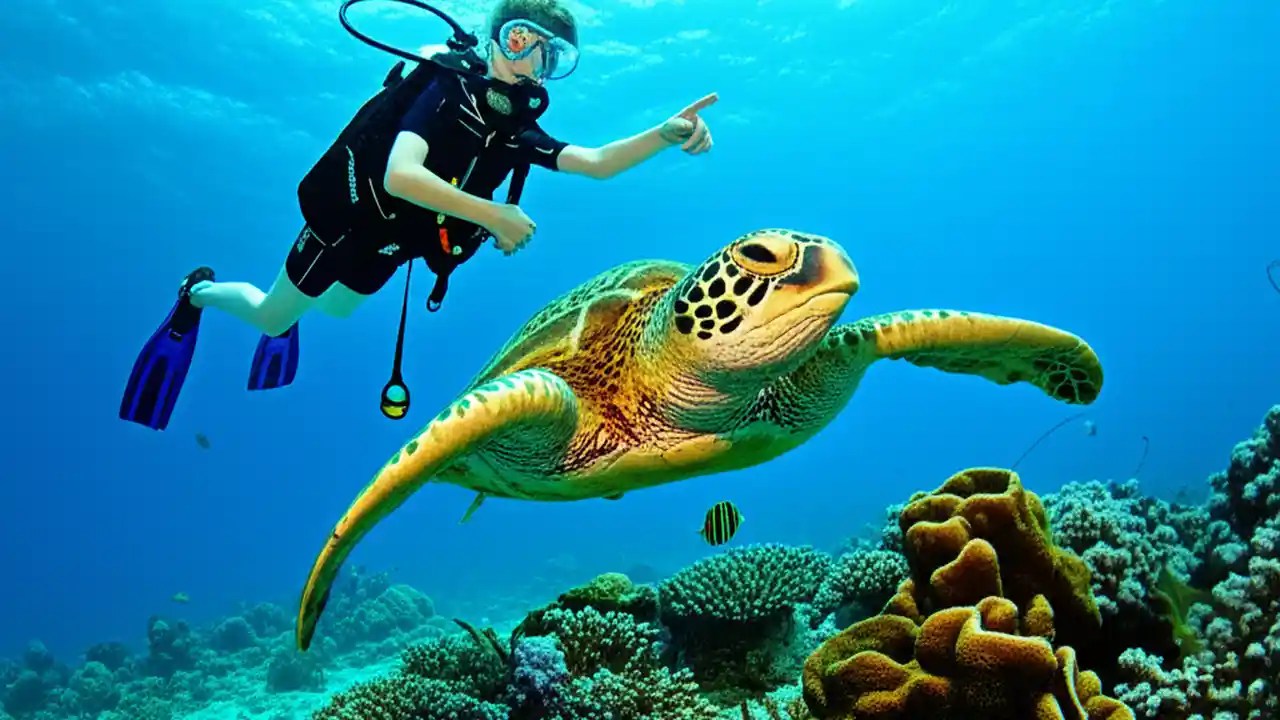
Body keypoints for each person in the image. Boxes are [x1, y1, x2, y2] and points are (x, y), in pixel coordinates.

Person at [119, 0, 717, 431]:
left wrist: (665, 134)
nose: (530, 62)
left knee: (338, 307)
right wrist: (495, 215)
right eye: (518, 40)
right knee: (273, 317)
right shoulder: (446, 89)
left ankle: (300, 301)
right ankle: (197, 293)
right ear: (493, 39)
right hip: (346, 224)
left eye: (549, 54)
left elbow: (596, 162)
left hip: (390, 246)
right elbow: (399, 175)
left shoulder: (515, 129)